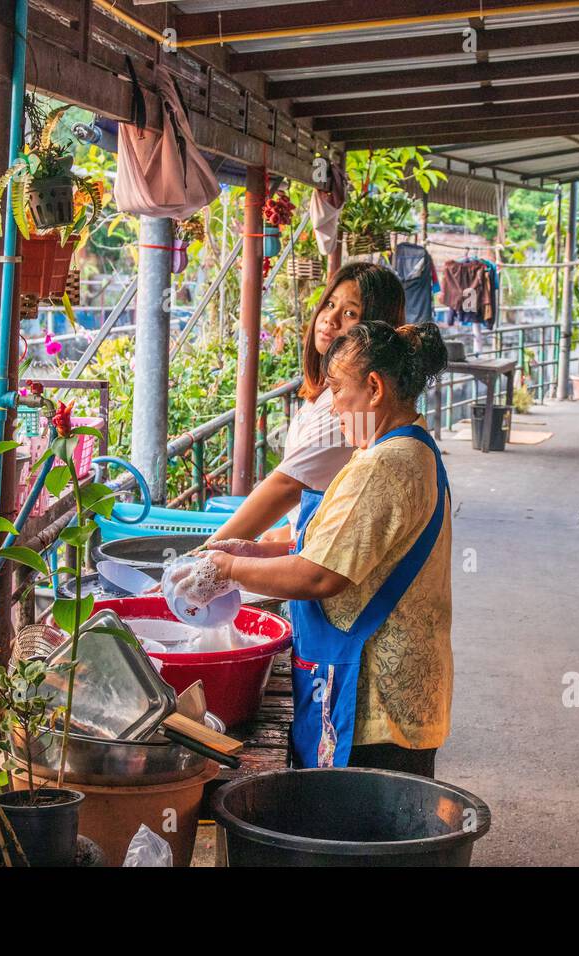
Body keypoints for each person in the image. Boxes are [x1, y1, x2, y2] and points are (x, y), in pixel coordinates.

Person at [173, 322, 453, 776]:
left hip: (376, 700)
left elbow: (320, 576)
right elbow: (343, 546)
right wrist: (256, 552)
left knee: (364, 838)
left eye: (338, 389)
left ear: (375, 388)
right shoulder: (403, 447)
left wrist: (227, 568)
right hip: (398, 691)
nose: (332, 405)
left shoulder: (383, 463)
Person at [210, 262, 405, 543]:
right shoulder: (330, 390)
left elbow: (289, 485)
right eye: (329, 305)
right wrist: (277, 537)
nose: (331, 319)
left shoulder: (353, 405)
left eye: (350, 313)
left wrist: (205, 553)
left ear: (375, 329)